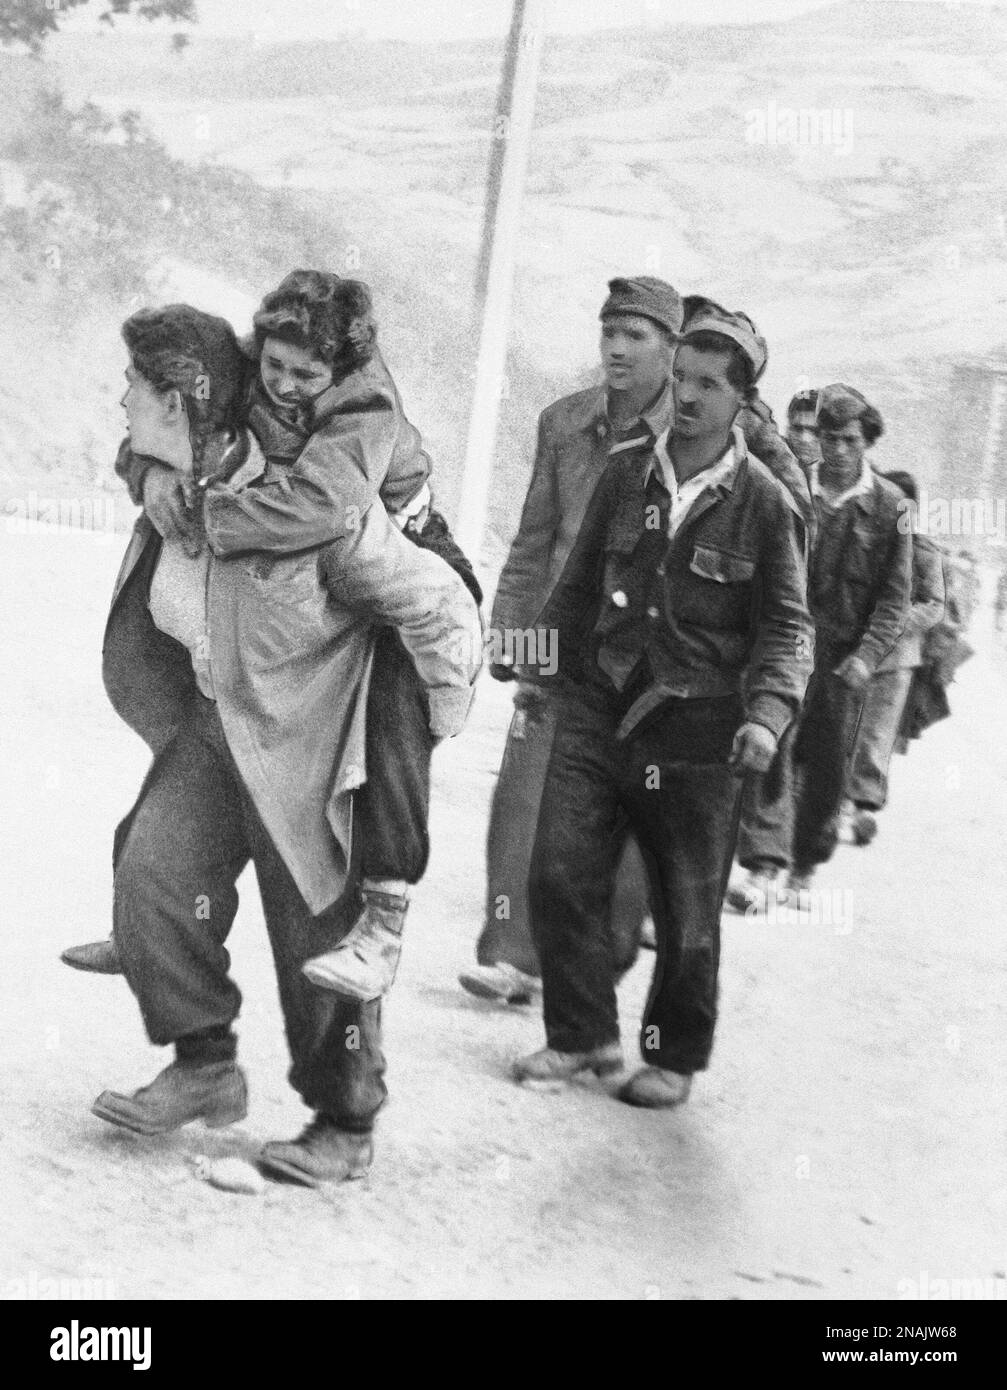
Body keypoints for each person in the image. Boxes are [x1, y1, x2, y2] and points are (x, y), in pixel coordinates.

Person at [79, 304, 480, 1186]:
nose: (120, 401)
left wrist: (426, 726)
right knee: (153, 873)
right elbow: (138, 456)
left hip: (310, 744)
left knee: (318, 940)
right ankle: (203, 1066)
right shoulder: (176, 478)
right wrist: (148, 469)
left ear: (183, 401)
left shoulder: (320, 516)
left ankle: (344, 1123)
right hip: (219, 728)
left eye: (135, 392)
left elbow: (442, 608)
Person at [511, 304, 813, 1108]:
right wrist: (535, 667)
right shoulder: (624, 471)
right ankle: (581, 1037)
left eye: (706, 385)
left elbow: (787, 626)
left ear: (742, 399)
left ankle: (671, 1055)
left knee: (686, 905)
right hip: (598, 705)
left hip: (698, 727)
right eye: (679, 378)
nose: (684, 396)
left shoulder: (764, 503)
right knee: (558, 873)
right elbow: (575, 587)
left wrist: (768, 714)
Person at [459, 276, 680, 1006]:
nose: (615, 347)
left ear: (670, 347)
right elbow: (532, 541)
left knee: (626, 814)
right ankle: (509, 954)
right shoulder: (563, 422)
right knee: (522, 794)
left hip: (648, 656)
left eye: (635, 335)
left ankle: (594, 965)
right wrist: (512, 637)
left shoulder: (696, 433)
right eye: (608, 331)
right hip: (558, 642)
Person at [785, 384, 911, 896]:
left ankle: (804, 866)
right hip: (787, 644)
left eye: (850, 440)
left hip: (843, 659)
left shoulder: (891, 506)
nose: (837, 450)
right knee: (769, 750)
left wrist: (866, 657)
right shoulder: (791, 487)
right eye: (829, 438)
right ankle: (762, 862)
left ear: (868, 443)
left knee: (826, 762)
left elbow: (894, 599)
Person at [844, 469, 945, 844]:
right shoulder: (864, 540)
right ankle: (832, 802)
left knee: (875, 737)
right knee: (842, 727)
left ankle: (864, 807)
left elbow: (934, 605)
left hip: (897, 660)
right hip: (853, 652)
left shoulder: (923, 550)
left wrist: (897, 622)